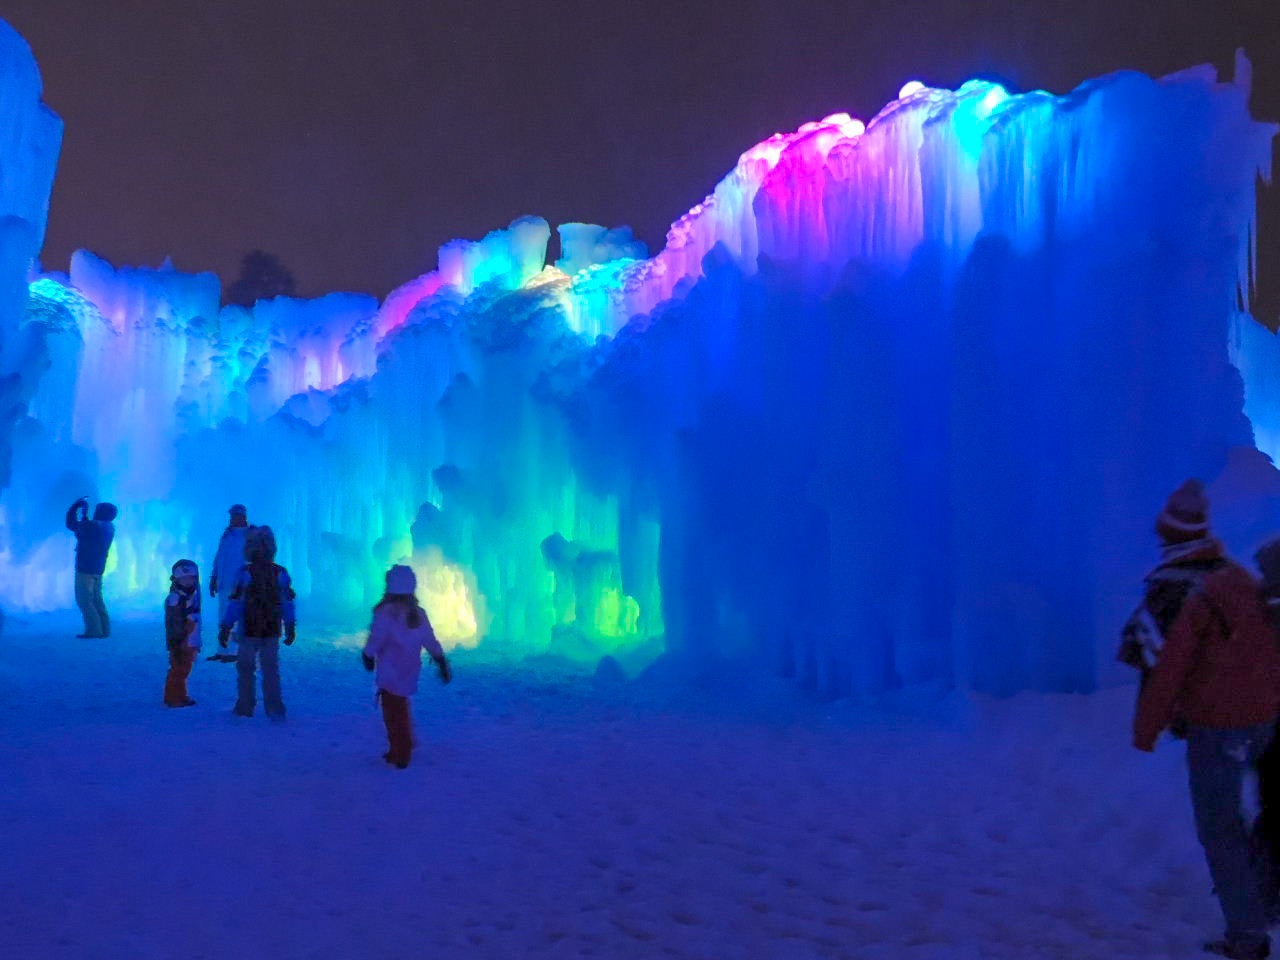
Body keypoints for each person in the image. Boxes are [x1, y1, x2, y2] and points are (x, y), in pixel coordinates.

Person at [1133, 481, 1280, 960]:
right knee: (1261, 815)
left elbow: (1169, 665)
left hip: (1219, 724)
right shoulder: (1235, 577)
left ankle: (1247, 936)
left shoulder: (1188, 592)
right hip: (1265, 717)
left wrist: (1147, 727)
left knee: (1220, 828)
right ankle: (1265, 900)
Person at [1118, 479, 1229, 731]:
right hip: (1245, 708)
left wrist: (1149, 726)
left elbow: (1161, 661)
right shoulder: (1227, 574)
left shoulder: (1170, 587)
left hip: (1207, 714)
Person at [361, 565, 450, 769]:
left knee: (393, 713)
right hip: (410, 670)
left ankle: (401, 752)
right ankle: (402, 746)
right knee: (401, 708)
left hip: (390, 672)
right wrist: (440, 660)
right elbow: (430, 640)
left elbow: (377, 637)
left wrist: (368, 654)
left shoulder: (386, 613)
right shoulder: (418, 614)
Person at [217, 525, 296, 720]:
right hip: (270, 629)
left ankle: (245, 706)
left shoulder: (245, 573)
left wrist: (226, 626)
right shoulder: (280, 573)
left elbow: (235, 603)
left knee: (246, 669)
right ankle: (274, 708)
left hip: (249, 630)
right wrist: (290, 625)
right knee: (270, 670)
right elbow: (287, 602)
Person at [64, 497, 118, 638]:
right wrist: (86, 519)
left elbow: (71, 525)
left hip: (85, 568)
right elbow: (88, 532)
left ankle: (94, 630)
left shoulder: (93, 525)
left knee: (85, 600)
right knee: (96, 599)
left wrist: (74, 507)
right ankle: (104, 630)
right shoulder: (109, 527)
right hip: (98, 567)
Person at [208, 504, 250, 662]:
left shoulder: (248, 535)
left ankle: (234, 651)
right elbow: (219, 558)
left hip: (240, 585)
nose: (232, 518)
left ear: (243, 517)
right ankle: (222, 650)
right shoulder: (227, 535)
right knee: (223, 616)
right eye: (232, 515)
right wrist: (214, 578)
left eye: (235, 515)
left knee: (236, 617)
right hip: (224, 583)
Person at [163, 559, 202, 708]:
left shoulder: (192, 594)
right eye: (184, 578)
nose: (188, 581)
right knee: (178, 669)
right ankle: (173, 697)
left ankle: (179, 695)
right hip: (181, 641)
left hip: (190, 640)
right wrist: (177, 644)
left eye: (191, 578)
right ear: (177, 579)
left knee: (184, 669)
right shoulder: (175, 598)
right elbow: (174, 625)